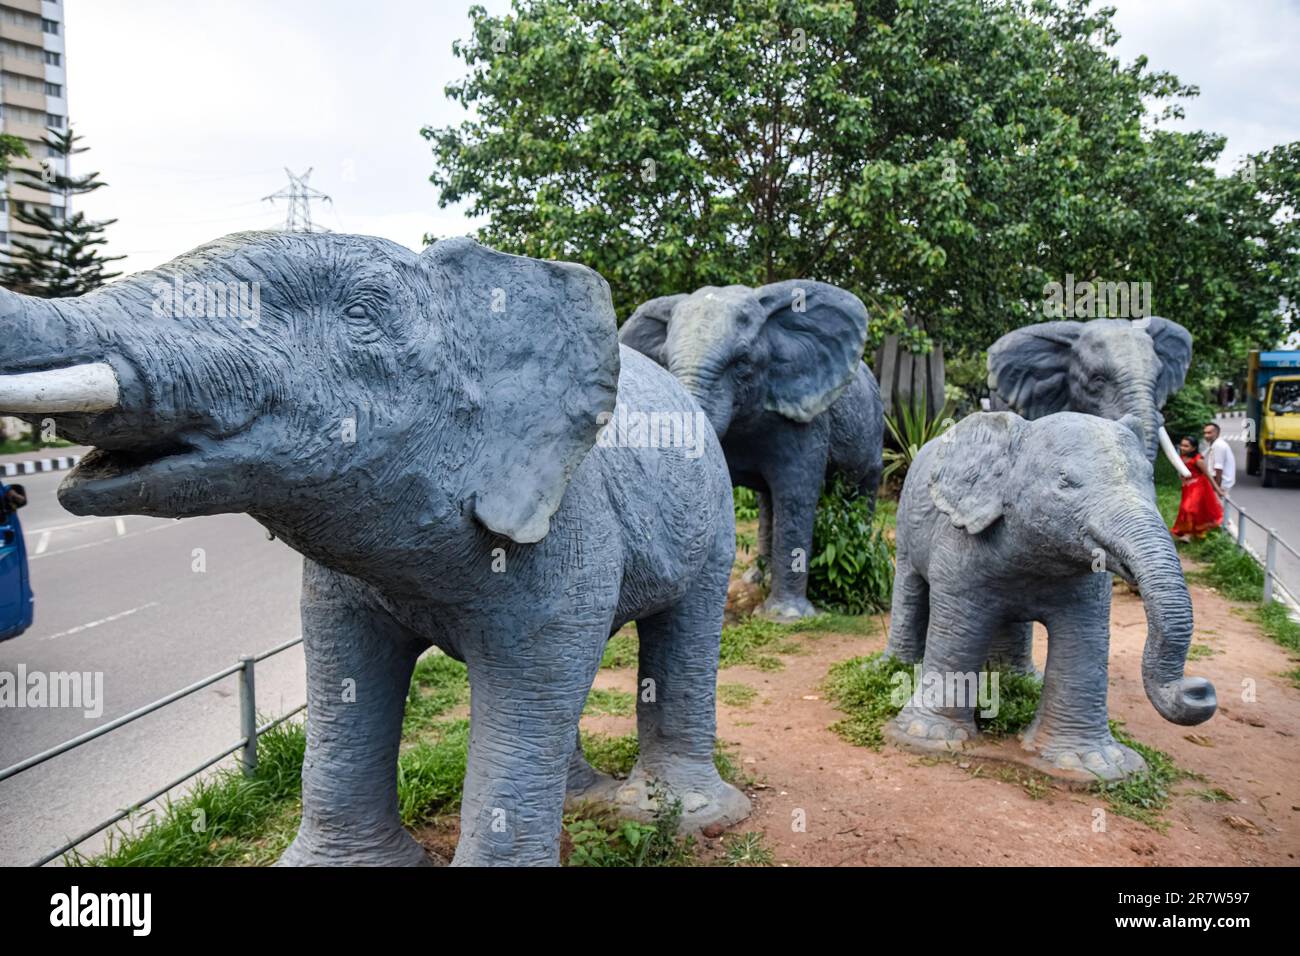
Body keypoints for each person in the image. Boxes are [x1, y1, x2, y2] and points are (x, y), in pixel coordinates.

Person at [1171, 436, 1223, 541]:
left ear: (1193, 448)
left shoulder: (1198, 460)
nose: (1182, 448)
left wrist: (1217, 489)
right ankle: (1189, 533)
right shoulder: (1180, 458)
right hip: (1187, 487)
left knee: (1189, 508)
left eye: (1186, 446)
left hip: (1198, 487)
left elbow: (1207, 475)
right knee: (1186, 510)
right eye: (1182, 445)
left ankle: (1189, 535)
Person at [1202, 422, 1236, 495]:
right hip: (1221, 483)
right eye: (1205, 433)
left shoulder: (1218, 445)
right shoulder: (1214, 444)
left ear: (1217, 433)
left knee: (1218, 505)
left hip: (1222, 484)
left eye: (1209, 433)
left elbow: (1218, 468)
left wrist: (1217, 488)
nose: (1206, 435)